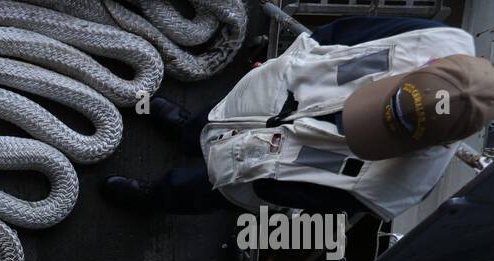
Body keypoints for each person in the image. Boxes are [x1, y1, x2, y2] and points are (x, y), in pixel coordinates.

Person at [102, 16, 494, 218]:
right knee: (218, 116)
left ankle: (156, 197)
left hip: (266, 167)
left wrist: (254, 162)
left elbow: (301, 194)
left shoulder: (397, 188)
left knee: (203, 185)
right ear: (430, 64)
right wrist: (293, 64)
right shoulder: (432, 39)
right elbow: (344, 33)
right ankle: (187, 127)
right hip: (279, 93)